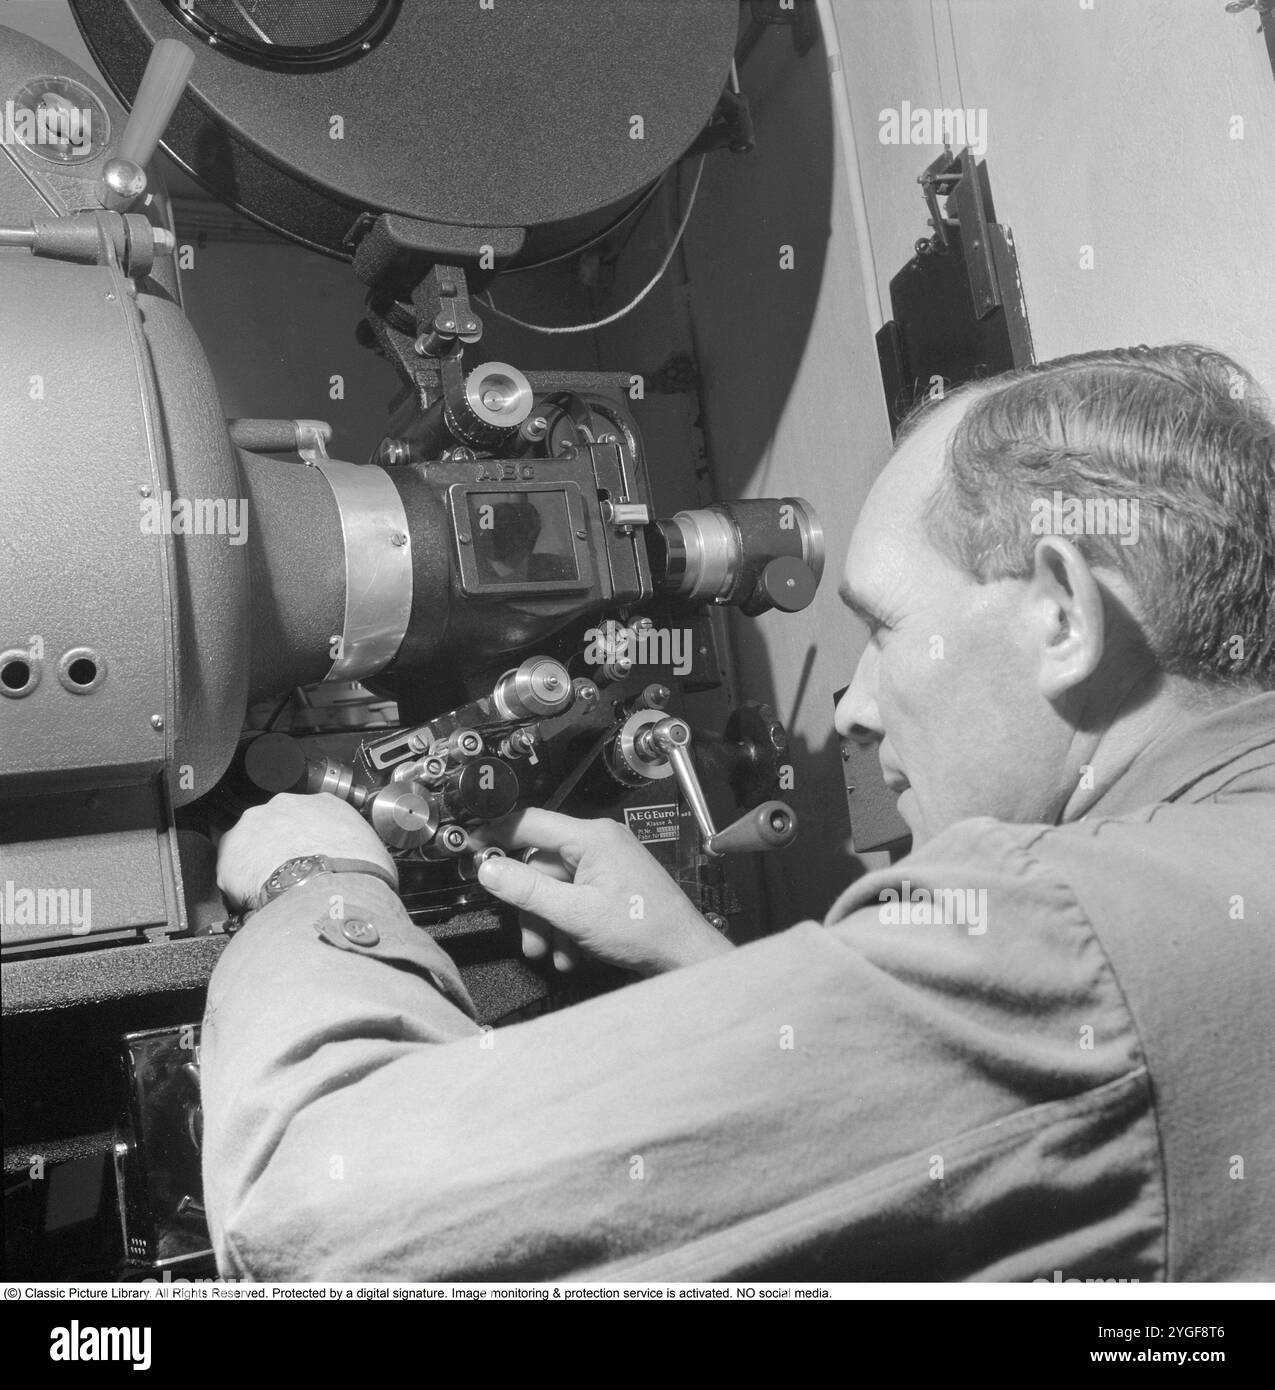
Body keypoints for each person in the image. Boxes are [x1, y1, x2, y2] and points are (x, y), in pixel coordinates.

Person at [203, 344, 1274, 1281]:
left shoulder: (1056, 938)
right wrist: (707, 972)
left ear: (1062, 617)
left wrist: (318, 887)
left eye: (887, 628)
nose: (851, 707)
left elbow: (313, 1211)